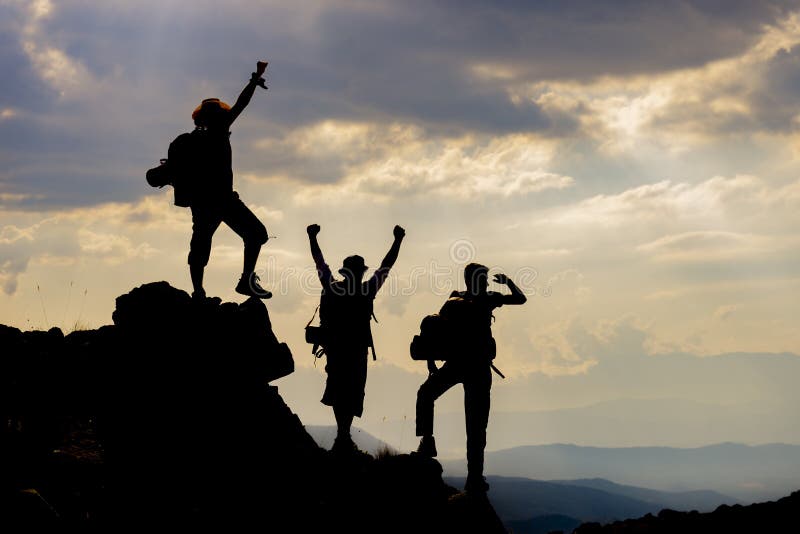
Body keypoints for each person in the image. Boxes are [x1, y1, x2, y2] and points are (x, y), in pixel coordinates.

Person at [415, 262, 526, 493]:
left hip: (456, 363)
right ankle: (474, 477)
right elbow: (520, 299)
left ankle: (428, 442)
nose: (485, 282)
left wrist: (431, 360)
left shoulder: (455, 299)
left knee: (426, 394)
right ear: (474, 279)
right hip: (477, 368)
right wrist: (509, 283)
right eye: (483, 278)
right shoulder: (487, 299)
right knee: (476, 425)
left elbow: (436, 330)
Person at [307, 223, 405, 453]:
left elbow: (319, 264)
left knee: (340, 390)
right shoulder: (366, 290)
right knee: (352, 391)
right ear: (360, 273)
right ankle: (344, 435)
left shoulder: (333, 288)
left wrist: (312, 237)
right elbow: (386, 266)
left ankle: (343, 435)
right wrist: (398, 241)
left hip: (337, 348)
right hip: (355, 349)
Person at [186, 60, 271, 301]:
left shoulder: (193, 140)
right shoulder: (220, 129)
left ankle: (199, 291)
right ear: (218, 116)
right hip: (222, 200)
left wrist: (254, 79)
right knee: (256, 234)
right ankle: (245, 280)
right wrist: (254, 80)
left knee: (200, 247)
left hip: (203, 203)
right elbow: (242, 103)